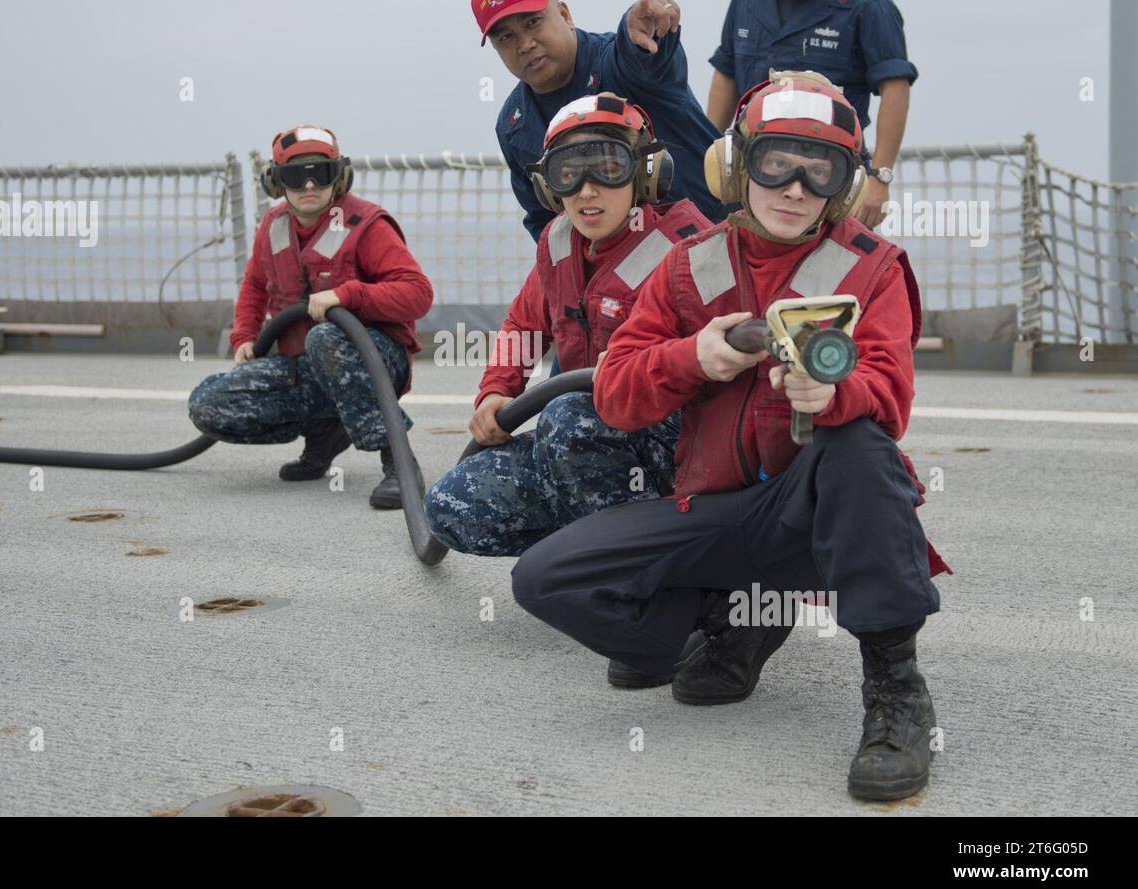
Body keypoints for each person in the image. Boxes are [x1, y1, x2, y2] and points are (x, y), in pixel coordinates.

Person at [511, 72, 952, 800]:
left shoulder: (872, 268)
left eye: (822, 171)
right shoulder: (689, 265)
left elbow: (890, 395)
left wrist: (835, 395)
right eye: (777, 160)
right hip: (716, 513)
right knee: (544, 580)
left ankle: (896, 692)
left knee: (863, 445)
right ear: (736, 164)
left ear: (844, 185)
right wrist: (694, 357)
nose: (796, 188)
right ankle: (729, 622)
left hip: (812, 512)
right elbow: (615, 393)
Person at [424, 94, 713, 688]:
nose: (587, 192)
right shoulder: (558, 243)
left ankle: (652, 600)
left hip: (680, 460)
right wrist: (495, 392)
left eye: (608, 169)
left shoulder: (695, 250)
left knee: (570, 417)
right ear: (547, 184)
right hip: (588, 445)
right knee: (452, 507)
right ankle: (599, 554)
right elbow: (523, 324)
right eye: (567, 174)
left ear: (647, 171)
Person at [189, 124, 433, 509]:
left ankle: (399, 463)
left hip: (373, 362)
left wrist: (347, 296)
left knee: (325, 339)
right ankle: (325, 431)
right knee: (208, 404)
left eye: (319, 174)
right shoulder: (273, 227)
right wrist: (245, 336)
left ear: (339, 176)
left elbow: (417, 293)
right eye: (294, 176)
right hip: (303, 366)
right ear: (275, 181)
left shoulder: (367, 226)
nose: (307, 186)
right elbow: (254, 285)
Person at [705, 0, 918, 228]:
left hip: (827, 175)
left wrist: (880, 176)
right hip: (753, 167)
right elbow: (727, 72)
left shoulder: (868, 6)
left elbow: (896, 88)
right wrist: (709, 150)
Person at [472, 0, 724, 241]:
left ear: (565, 15)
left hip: (712, 239)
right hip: (624, 272)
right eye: (506, 37)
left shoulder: (618, 62)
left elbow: (647, 57)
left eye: (533, 22)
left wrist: (647, 33)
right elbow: (544, 221)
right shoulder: (513, 126)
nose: (525, 44)